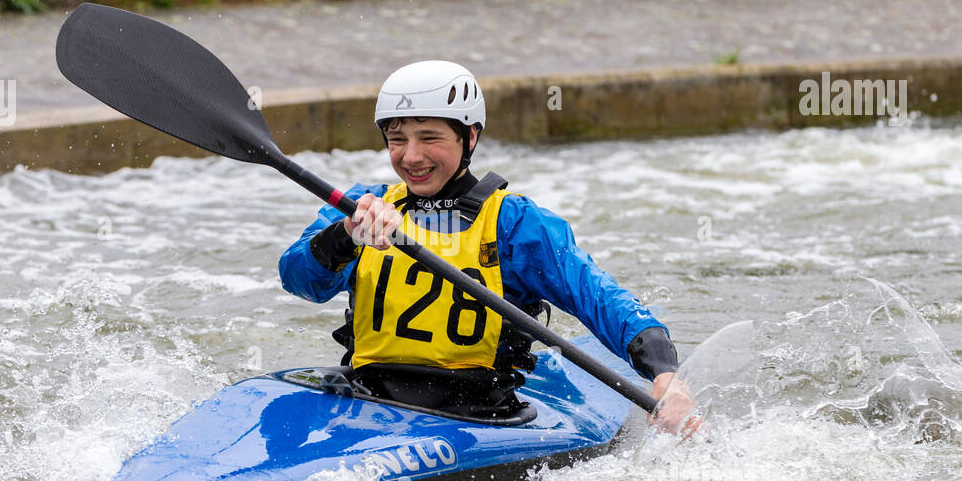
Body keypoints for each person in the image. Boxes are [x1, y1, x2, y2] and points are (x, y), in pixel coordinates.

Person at [279, 60, 698, 434]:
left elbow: (599, 298)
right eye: (397, 138)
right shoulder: (363, 206)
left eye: (429, 138)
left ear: (470, 137)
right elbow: (298, 280)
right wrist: (344, 235)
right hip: (371, 400)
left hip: (479, 413)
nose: (411, 156)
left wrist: (664, 373)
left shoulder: (514, 224)